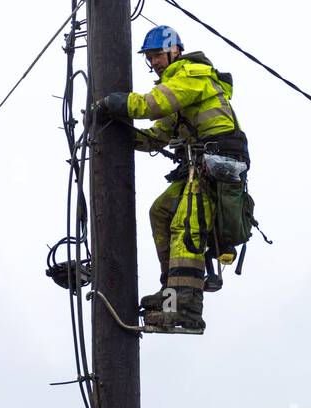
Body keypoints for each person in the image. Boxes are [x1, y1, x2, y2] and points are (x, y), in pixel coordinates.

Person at [95, 25, 250, 334]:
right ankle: (172, 293)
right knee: (162, 212)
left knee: (187, 227)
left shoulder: (192, 73)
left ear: (174, 51)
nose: (154, 62)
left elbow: (153, 105)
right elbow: (156, 135)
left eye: (157, 55)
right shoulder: (178, 88)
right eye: (149, 58)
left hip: (217, 164)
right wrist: (115, 135)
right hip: (202, 164)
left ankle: (187, 307)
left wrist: (114, 104)